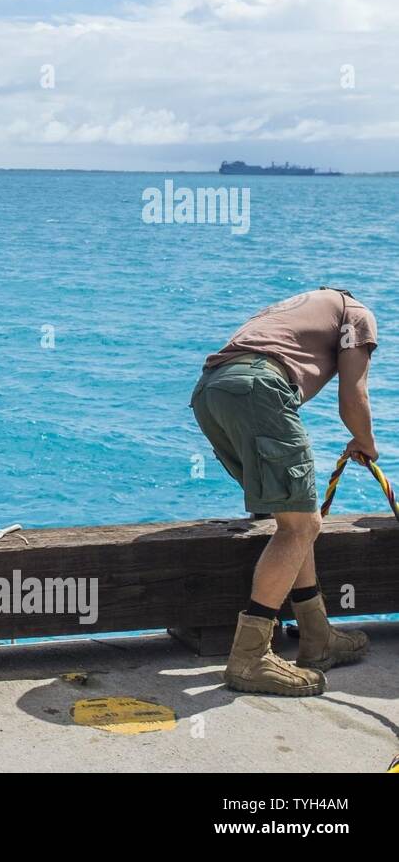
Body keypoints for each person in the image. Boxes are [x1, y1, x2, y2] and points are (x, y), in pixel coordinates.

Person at [191, 288, 378, 696]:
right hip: (258, 387)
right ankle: (249, 657)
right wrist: (365, 442)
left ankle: (316, 635)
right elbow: (353, 397)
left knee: (294, 518)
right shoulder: (357, 314)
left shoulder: (299, 306)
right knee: (301, 526)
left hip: (211, 392)